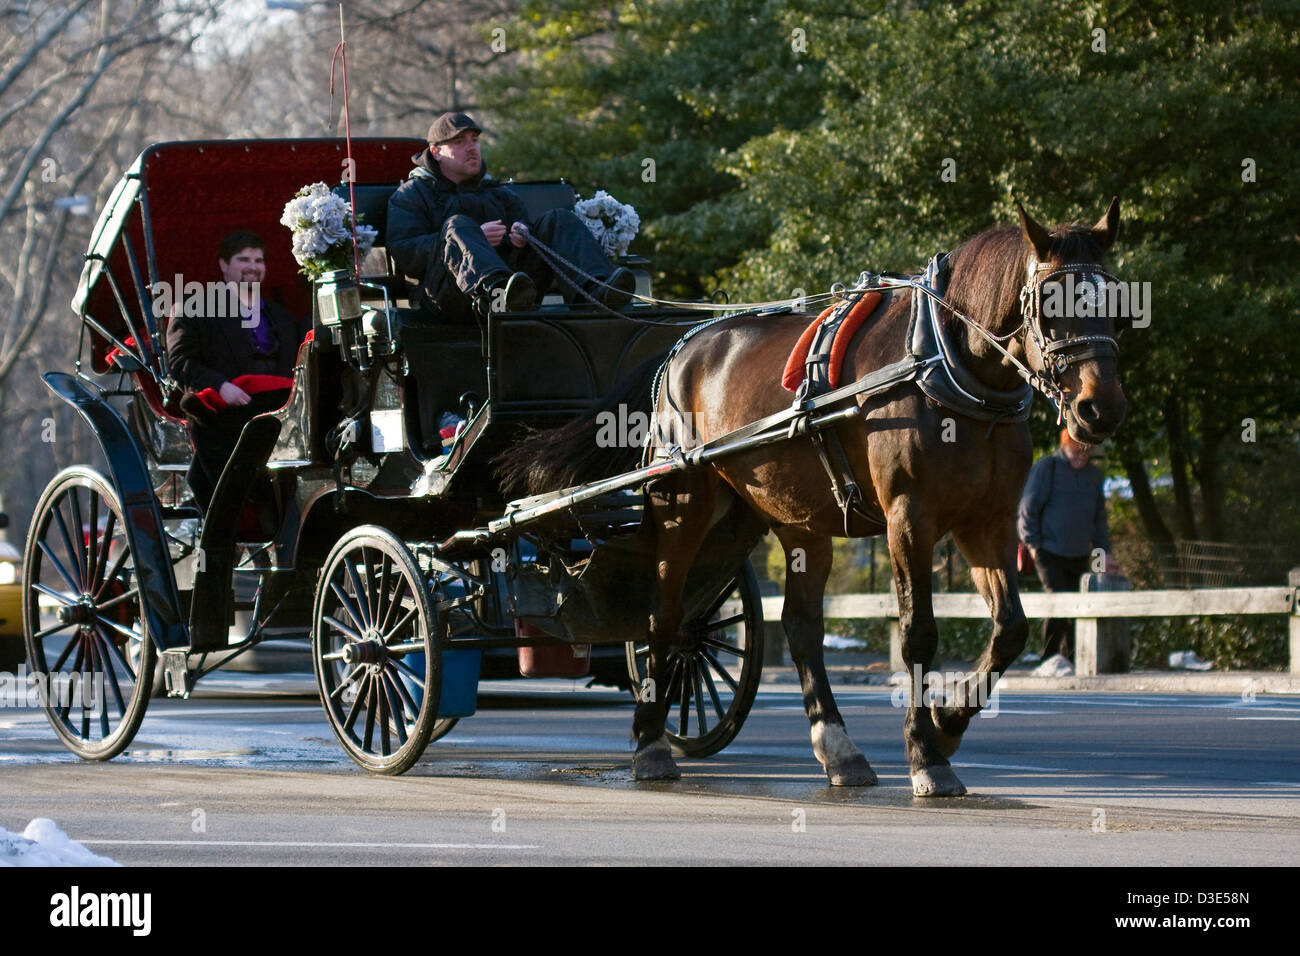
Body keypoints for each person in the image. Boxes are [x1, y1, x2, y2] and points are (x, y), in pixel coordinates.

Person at [386, 111, 636, 320]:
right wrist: (471, 238)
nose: (471, 148)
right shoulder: (411, 194)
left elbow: (523, 229)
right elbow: (405, 252)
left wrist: (522, 234)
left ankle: (598, 291)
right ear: (436, 152)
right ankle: (497, 292)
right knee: (458, 226)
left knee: (558, 219)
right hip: (449, 296)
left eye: (474, 140)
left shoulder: (497, 192)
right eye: (459, 142)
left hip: (520, 296)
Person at [166, 229, 310, 509]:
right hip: (226, 414)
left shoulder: (280, 316)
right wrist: (222, 387)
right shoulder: (194, 308)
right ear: (224, 265)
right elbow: (181, 362)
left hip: (280, 414)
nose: (253, 267)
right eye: (244, 260)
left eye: (259, 261)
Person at [1017, 429, 1120, 660]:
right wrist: (1034, 547)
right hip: (1048, 551)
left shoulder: (1093, 476)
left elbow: (1099, 523)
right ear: (1065, 447)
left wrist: (1103, 559)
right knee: (1057, 602)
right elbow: (1027, 509)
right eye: (1076, 452)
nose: (1080, 457)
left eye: (1085, 453)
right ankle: (1050, 658)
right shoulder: (1047, 468)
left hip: (1080, 553)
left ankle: (1073, 658)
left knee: (1078, 606)